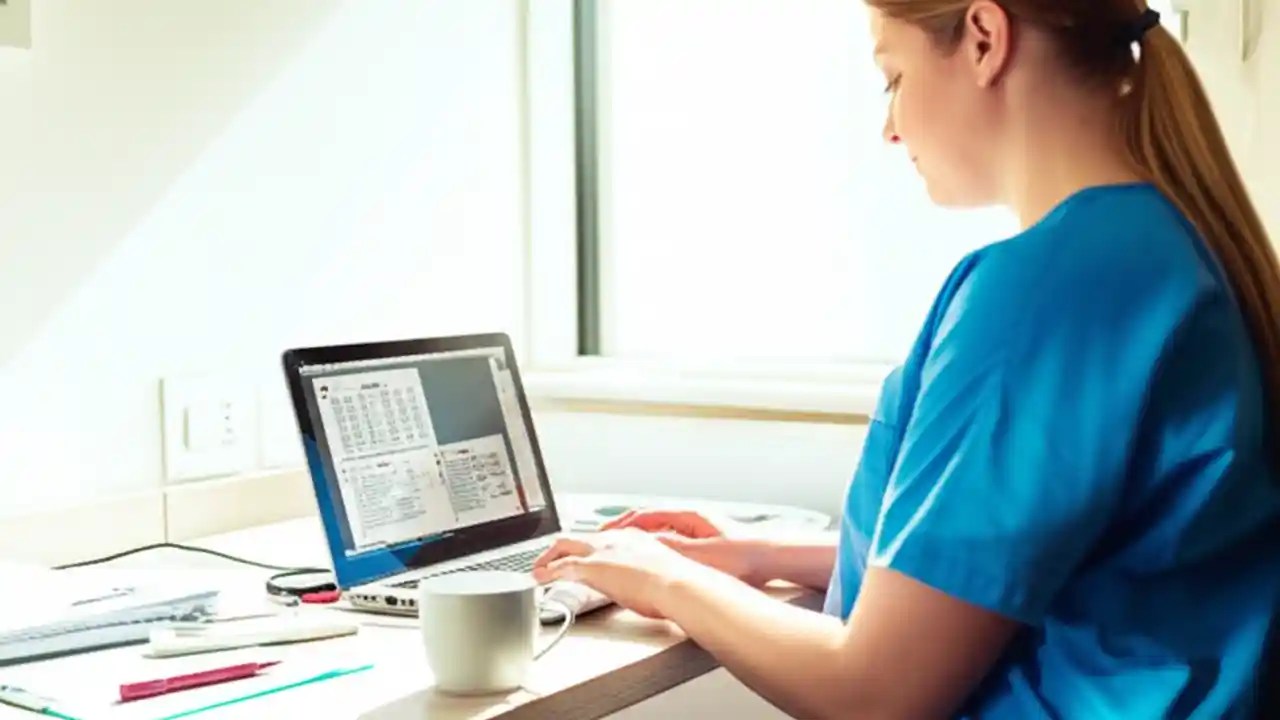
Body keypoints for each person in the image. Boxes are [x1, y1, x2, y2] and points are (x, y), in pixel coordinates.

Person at [532, 1, 1280, 718]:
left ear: (985, 38)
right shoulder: (1158, 246)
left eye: (893, 77)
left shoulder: (1046, 288)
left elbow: (872, 693)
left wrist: (658, 579)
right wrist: (758, 557)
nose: (890, 128)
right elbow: (1026, 555)